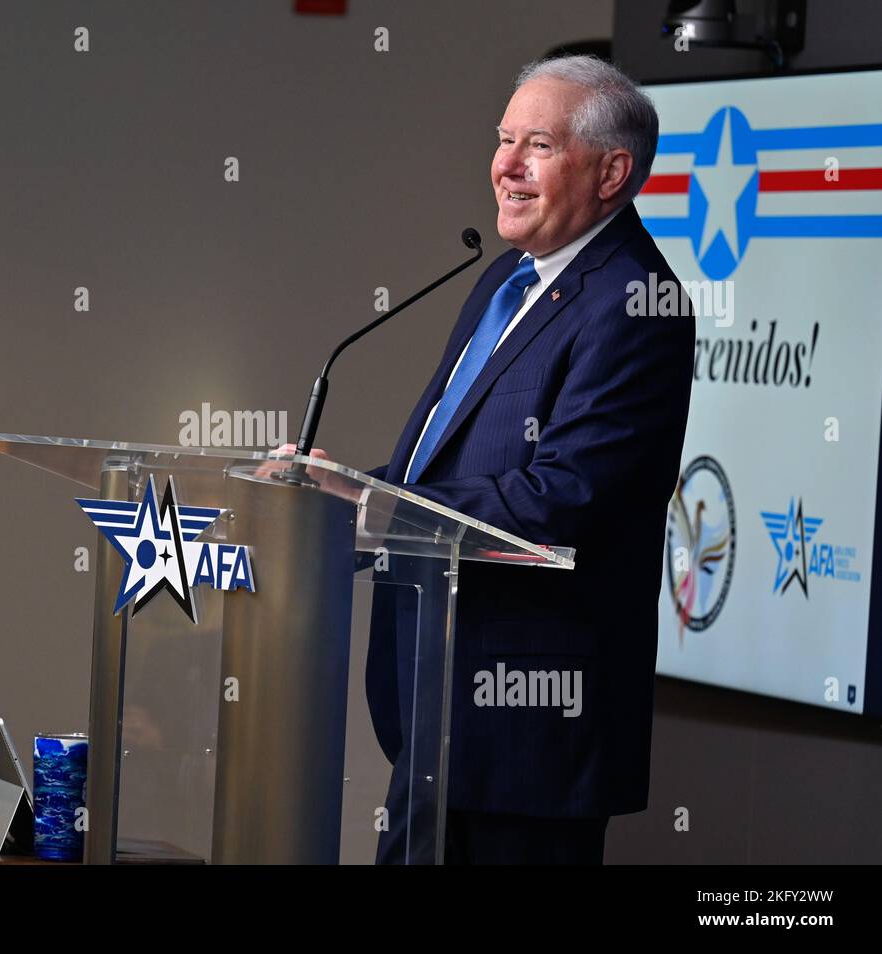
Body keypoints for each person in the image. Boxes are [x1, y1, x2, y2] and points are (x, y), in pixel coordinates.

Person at [273, 55, 694, 863]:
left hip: (528, 739)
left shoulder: (638, 303)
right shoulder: (505, 279)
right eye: (504, 140)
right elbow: (444, 474)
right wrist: (337, 495)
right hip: (435, 715)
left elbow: (564, 498)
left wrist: (369, 508)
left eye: (539, 145)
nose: (506, 166)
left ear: (612, 172)